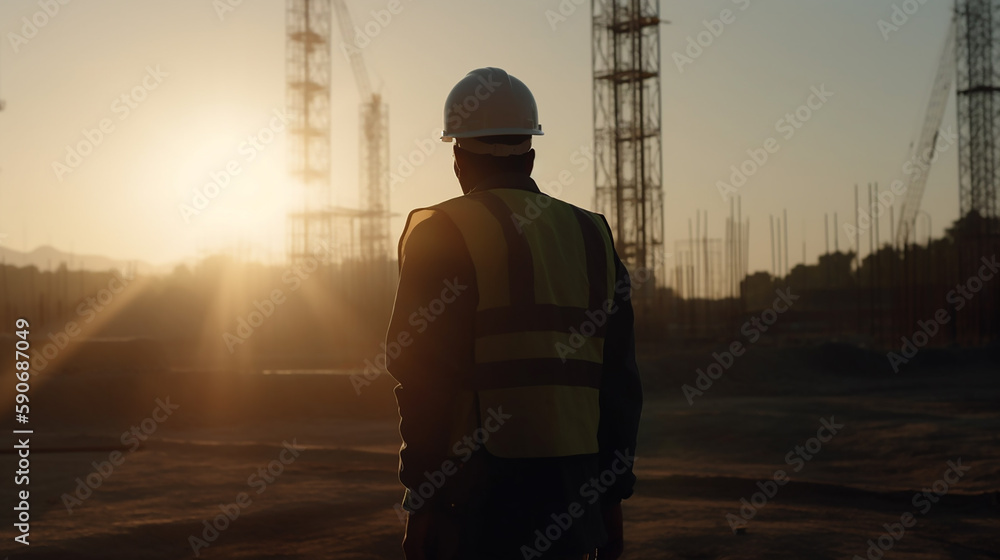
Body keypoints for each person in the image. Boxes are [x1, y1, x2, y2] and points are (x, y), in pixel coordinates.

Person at [386, 67, 642, 560]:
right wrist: (611, 496)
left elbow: (422, 380)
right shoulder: (591, 236)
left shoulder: (444, 231)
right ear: (530, 152)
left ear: (458, 156)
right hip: (572, 489)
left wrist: (424, 502)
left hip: (477, 490)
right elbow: (619, 381)